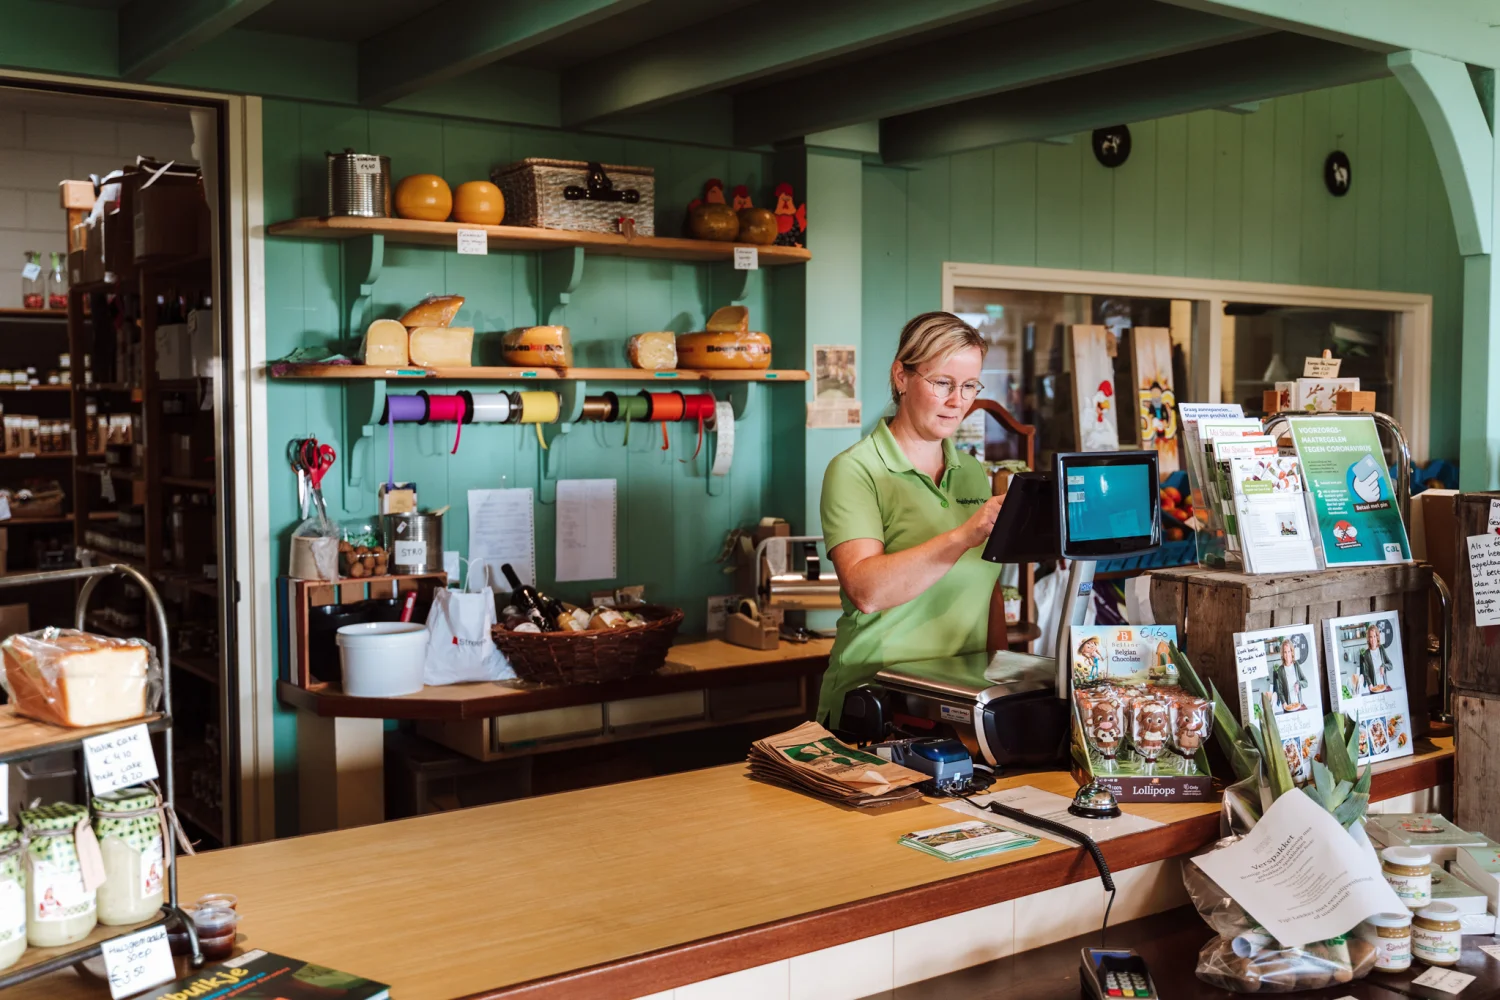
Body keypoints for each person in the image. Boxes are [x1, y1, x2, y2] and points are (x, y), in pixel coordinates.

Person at [817, 312, 1005, 726]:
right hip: (877, 699)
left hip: (960, 701)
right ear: (901, 376)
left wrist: (1002, 683)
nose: (958, 401)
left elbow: (988, 591)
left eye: (969, 386)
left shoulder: (972, 472)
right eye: (943, 383)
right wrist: (964, 535)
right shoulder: (855, 470)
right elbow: (866, 590)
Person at [1271, 638, 1308, 711]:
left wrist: (1298, 683)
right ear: (1282, 654)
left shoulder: (1296, 665)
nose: (1287, 654)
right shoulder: (1280, 670)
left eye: (1289, 651)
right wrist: (1283, 702)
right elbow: (1280, 691)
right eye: (1285, 652)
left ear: (1291, 652)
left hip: (1298, 704)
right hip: (1288, 706)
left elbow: (1306, 682)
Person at [1358, 623, 1394, 692]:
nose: (1373, 639)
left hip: (1384, 686)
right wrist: (1369, 684)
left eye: (1374, 636)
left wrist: (1383, 666)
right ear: (1368, 639)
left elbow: (1390, 665)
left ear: (1377, 637)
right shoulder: (1367, 653)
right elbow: (1366, 673)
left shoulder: (1381, 649)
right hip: (1374, 688)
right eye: (1371, 637)